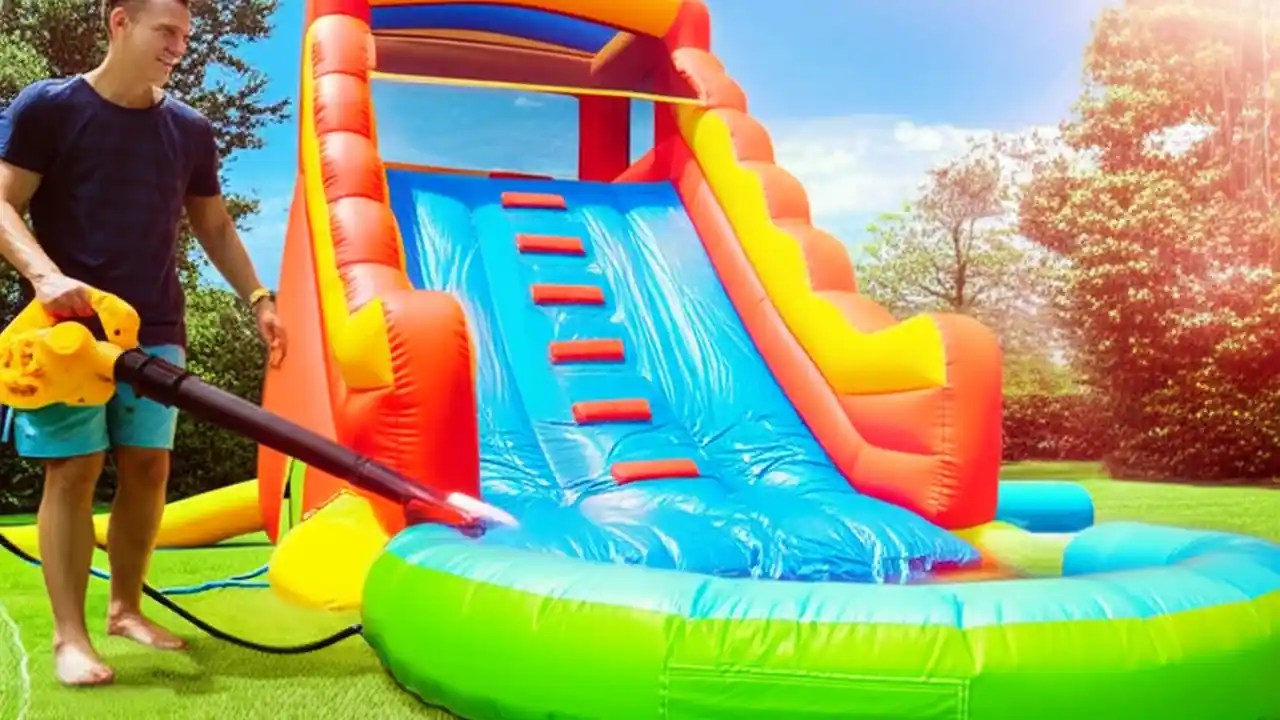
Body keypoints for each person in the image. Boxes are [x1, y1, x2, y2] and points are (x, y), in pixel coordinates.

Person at [0, 0, 287, 687]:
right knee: (73, 470)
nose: (179, 47)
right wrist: (44, 275)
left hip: (156, 327)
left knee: (149, 469)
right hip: (66, 332)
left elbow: (214, 225)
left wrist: (260, 298)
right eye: (167, 32)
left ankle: (125, 608)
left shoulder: (189, 130)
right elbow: (4, 201)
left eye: (186, 37)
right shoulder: (50, 107)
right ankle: (71, 637)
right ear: (119, 22)